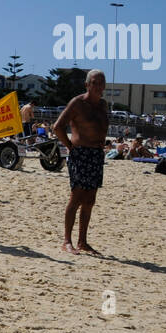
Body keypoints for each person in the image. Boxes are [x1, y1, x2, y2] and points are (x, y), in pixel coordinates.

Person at [54, 69, 109, 255]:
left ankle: (82, 241)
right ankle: (67, 241)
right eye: (94, 82)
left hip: (96, 155)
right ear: (87, 85)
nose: (98, 86)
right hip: (80, 154)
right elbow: (57, 127)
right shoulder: (78, 103)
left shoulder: (103, 105)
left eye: (101, 83)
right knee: (76, 197)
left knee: (90, 200)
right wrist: (70, 147)